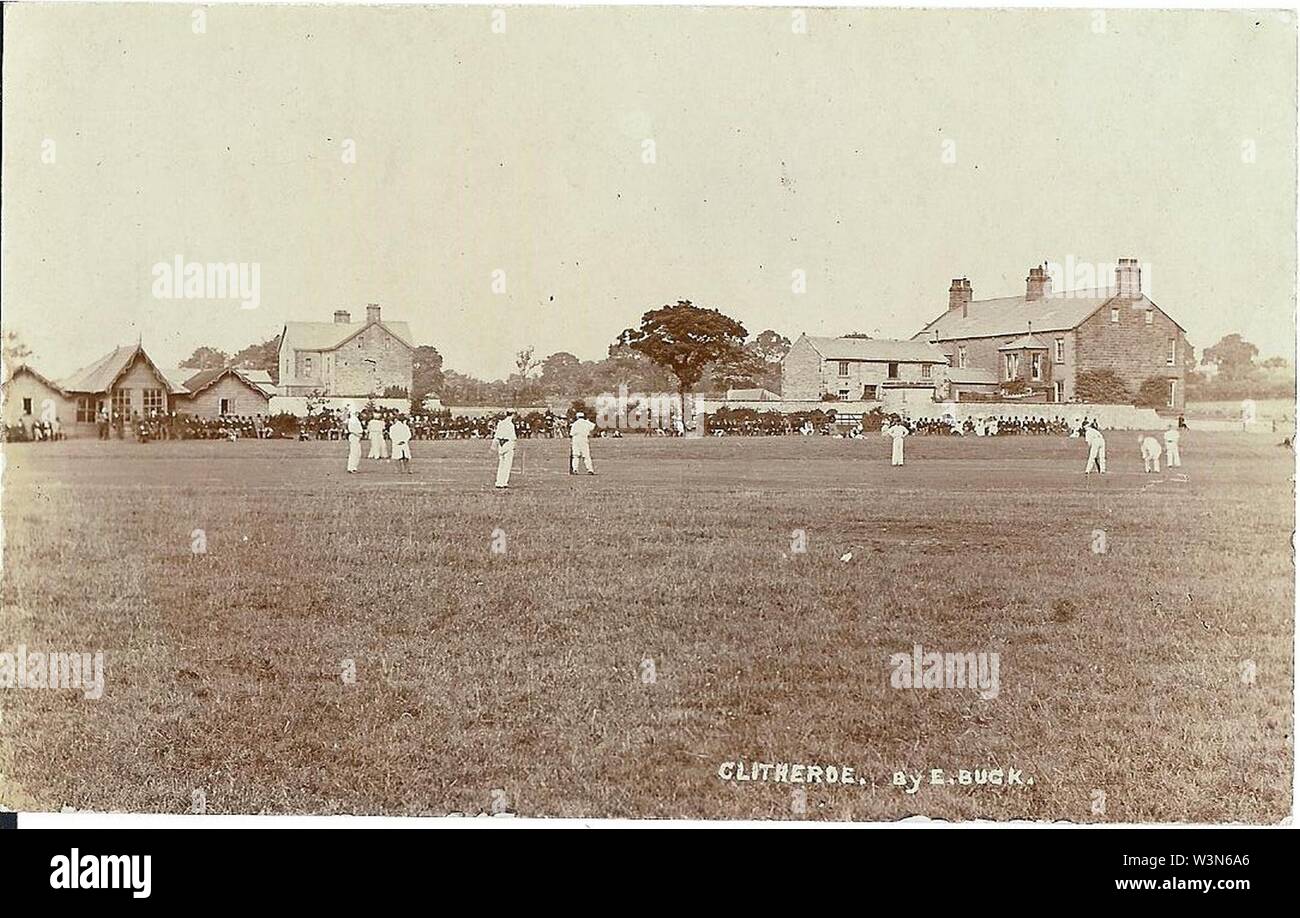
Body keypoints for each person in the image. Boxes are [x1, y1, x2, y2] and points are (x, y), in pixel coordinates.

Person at [493, 409, 517, 489]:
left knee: (501, 464)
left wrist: (494, 445)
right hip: (508, 444)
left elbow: (496, 436)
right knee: (507, 464)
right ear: (513, 415)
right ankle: (504, 482)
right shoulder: (510, 424)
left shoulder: (501, 423)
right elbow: (513, 437)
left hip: (501, 444)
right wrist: (514, 446)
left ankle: (499, 482)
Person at [570, 411, 596, 475]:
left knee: (576, 455)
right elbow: (593, 426)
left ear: (577, 417)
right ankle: (590, 469)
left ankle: (575, 469)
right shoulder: (587, 423)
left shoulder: (575, 423)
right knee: (586, 455)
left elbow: (571, 433)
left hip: (576, 439)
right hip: (584, 439)